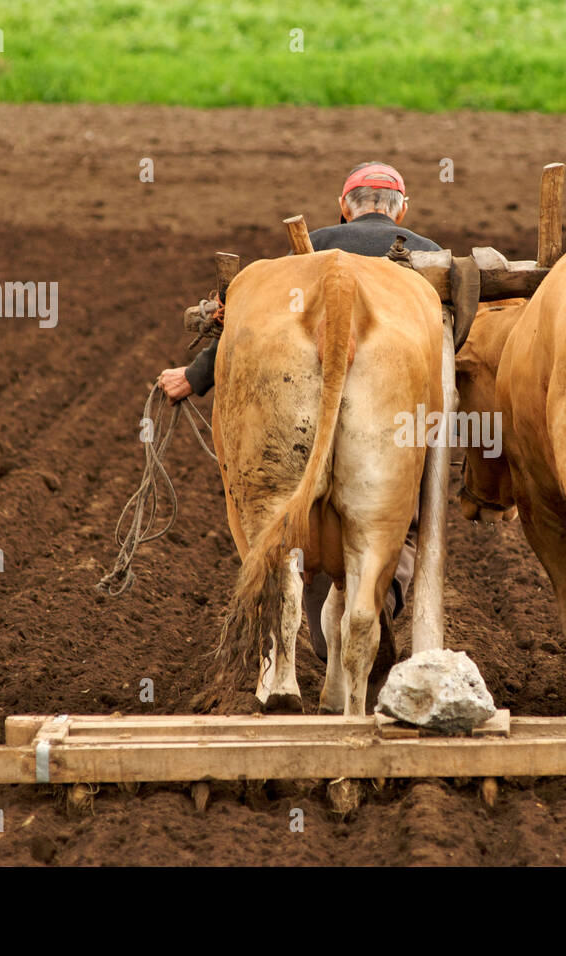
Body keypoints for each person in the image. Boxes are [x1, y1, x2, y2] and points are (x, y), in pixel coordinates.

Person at [157, 161, 439, 664]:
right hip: (392, 408)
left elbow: (250, 333)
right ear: (403, 209)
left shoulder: (304, 254)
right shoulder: (432, 258)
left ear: (343, 207)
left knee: (286, 511)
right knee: (404, 515)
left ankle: (302, 640)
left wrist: (194, 377)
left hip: (293, 400)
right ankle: (380, 604)